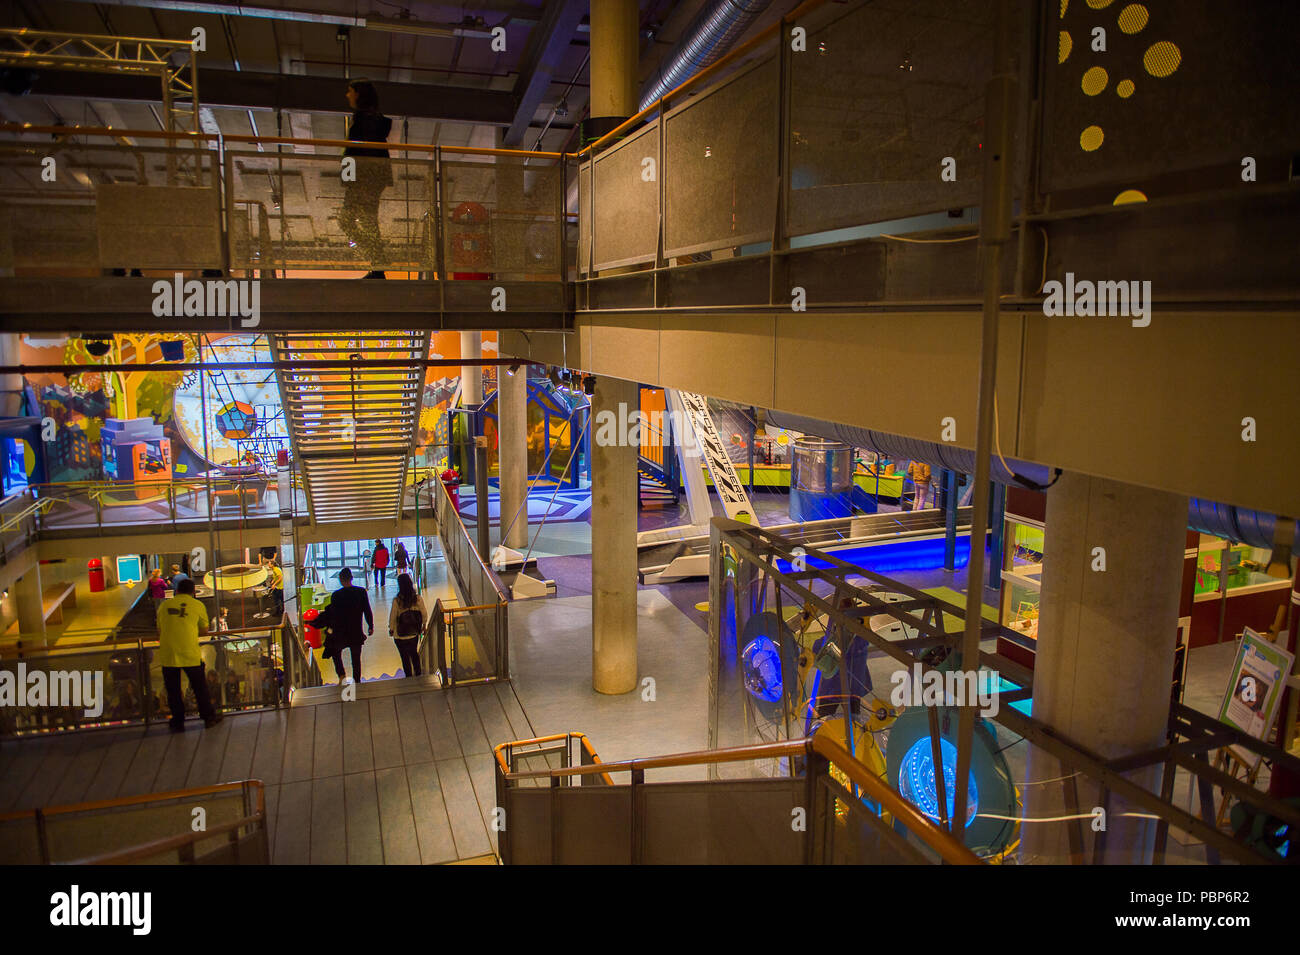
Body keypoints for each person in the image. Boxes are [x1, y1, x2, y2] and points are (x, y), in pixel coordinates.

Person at [340, 78, 393, 279]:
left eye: (350, 91)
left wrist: (348, 179)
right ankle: (378, 264)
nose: (348, 95)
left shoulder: (364, 120)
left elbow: (354, 152)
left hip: (363, 180)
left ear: (359, 94)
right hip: (371, 180)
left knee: (348, 220)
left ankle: (378, 259)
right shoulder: (373, 120)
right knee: (368, 221)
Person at [156, 578, 221, 732]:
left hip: (168, 653)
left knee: (173, 690)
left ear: (176, 591)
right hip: (189, 652)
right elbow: (204, 630)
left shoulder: (164, 605)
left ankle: (178, 722)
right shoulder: (197, 605)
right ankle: (208, 718)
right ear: (193, 592)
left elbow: (159, 630)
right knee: (200, 687)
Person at [316, 568, 373, 684]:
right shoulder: (361, 592)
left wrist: (329, 629)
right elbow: (367, 610)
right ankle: (357, 680)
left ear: (340, 580)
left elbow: (333, 615)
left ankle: (341, 675)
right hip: (356, 631)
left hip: (340, 632)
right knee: (356, 658)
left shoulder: (336, 595)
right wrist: (370, 625)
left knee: (336, 654)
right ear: (352, 578)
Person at [388, 572, 425, 678]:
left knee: (404, 657)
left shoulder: (397, 600)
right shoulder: (417, 599)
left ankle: (408, 676)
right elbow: (424, 613)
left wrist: (391, 629)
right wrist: (424, 625)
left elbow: (393, 617)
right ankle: (418, 674)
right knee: (414, 654)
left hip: (400, 634)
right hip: (413, 633)